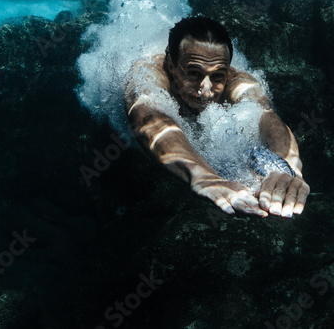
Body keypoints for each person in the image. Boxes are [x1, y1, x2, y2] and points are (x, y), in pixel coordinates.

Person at [124, 16, 310, 217]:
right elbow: (149, 117)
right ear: (170, 64)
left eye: (217, 76)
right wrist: (202, 177)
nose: (205, 91)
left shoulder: (237, 79)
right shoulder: (148, 72)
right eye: (194, 74)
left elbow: (265, 116)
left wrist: (285, 167)